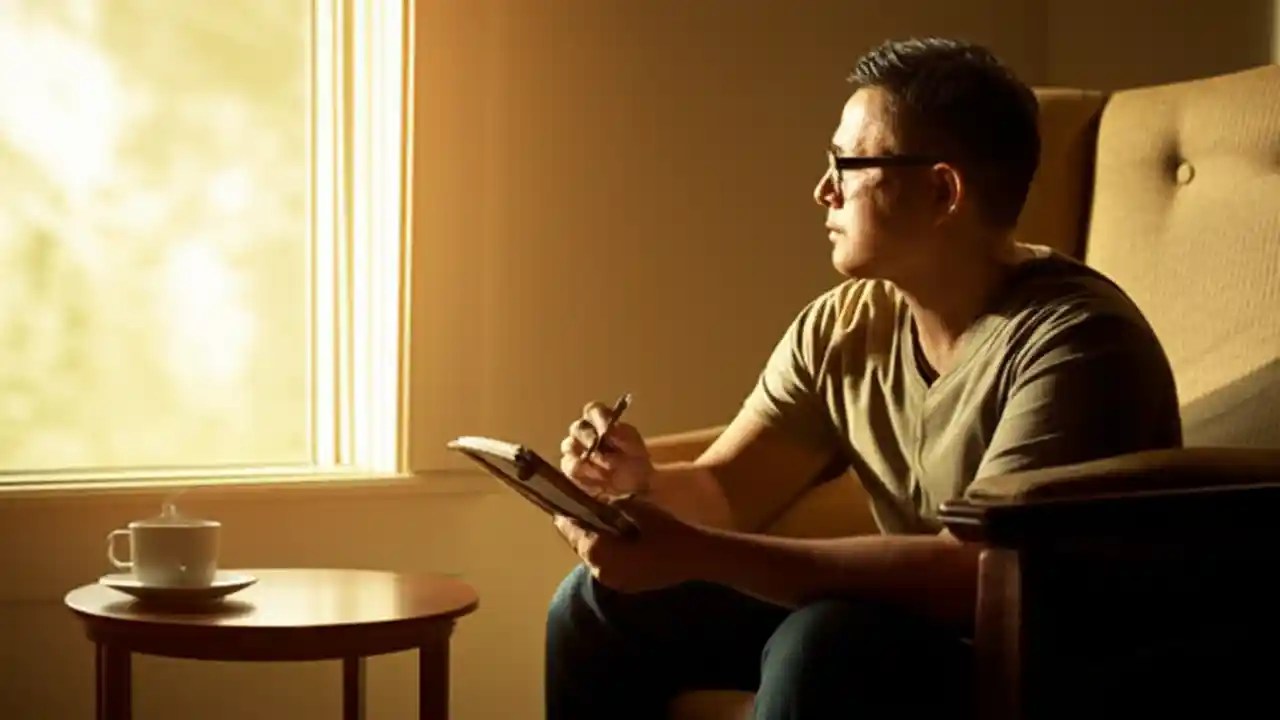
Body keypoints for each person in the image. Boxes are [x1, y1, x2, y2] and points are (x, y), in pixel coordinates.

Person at [545, 37, 1182, 719]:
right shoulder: (845, 326)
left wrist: (703, 553)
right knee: (593, 607)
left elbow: (978, 577)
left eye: (847, 164)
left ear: (942, 190)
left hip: (1042, 661)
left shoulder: (1077, 342)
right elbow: (728, 489)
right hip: (912, 621)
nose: (823, 189)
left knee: (823, 644)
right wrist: (635, 486)